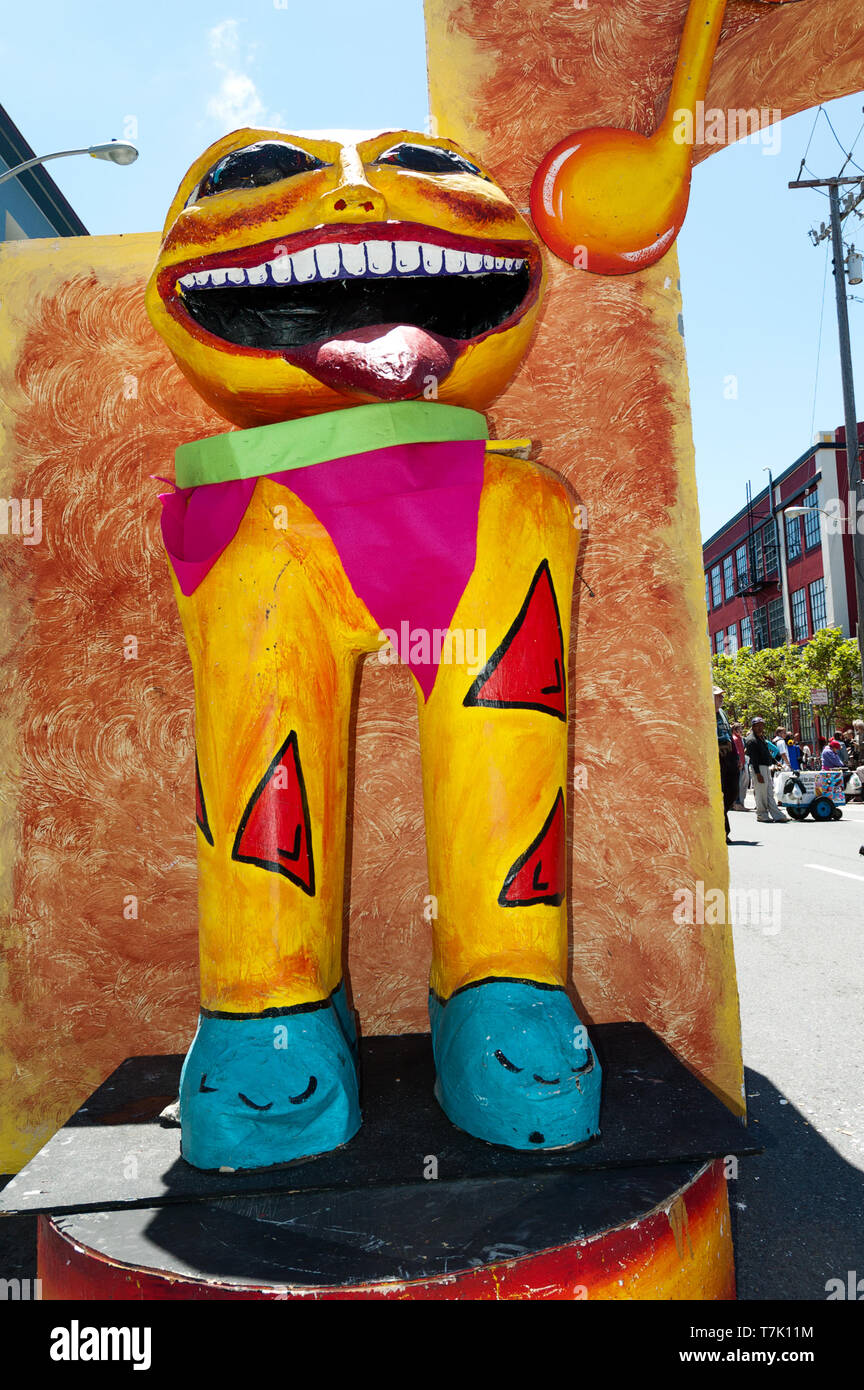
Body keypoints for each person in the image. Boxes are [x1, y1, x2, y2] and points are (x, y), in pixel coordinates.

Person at [745, 716, 788, 823]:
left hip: (765, 767)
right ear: (753, 727)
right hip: (758, 768)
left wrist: (775, 762)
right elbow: (754, 758)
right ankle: (762, 814)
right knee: (761, 793)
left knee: (769, 792)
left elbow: (766, 753)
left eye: (761, 726)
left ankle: (777, 815)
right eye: (758, 726)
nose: (760, 728)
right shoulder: (751, 740)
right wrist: (758, 773)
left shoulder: (761, 737)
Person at [715, 686, 740, 843]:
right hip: (716, 755)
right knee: (720, 793)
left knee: (733, 790)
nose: (721, 699)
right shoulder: (705, 712)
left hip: (729, 754)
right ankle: (723, 831)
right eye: (717, 696)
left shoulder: (723, 713)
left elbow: (730, 735)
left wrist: (736, 756)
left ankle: (721, 818)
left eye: (721, 696)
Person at [731, 721, 749, 810]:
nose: (741, 731)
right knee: (739, 785)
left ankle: (737, 803)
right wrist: (740, 763)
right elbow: (737, 752)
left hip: (741, 762)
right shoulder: (736, 739)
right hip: (739, 764)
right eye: (739, 729)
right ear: (735, 730)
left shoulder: (738, 738)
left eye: (741, 729)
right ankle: (737, 804)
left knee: (740, 784)